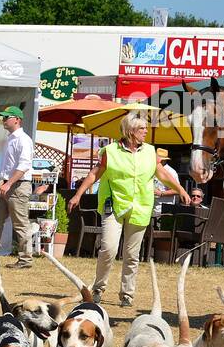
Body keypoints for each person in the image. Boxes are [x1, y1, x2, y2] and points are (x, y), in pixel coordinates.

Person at [68, 113, 198, 305]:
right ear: (130, 131)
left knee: (132, 254)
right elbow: (95, 174)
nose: (146, 131)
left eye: (146, 128)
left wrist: (180, 190)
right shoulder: (110, 151)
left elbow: (161, 174)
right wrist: (78, 194)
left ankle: (127, 294)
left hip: (140, 207)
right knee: (109, 249)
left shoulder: (150, 152)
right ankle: (98, 288)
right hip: (114, 205)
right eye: (142, 128)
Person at [0, 106, 36, 267]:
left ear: (17, 119)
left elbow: (24, 165)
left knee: (20, 223)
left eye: (6, 117)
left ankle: (25, 259)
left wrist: (8, 183)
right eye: (3, 118)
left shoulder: (23, 140)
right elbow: (8, 166)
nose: (3, 120)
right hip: (8, 184)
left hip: (18, 185)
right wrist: (3, 183)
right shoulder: (11, 138)